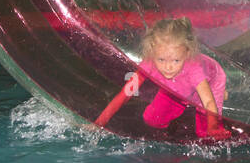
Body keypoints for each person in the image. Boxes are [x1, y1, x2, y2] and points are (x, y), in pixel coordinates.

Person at [94, 17, 229, 138]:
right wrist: (99, 123)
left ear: (187, 53)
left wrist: (212, 128)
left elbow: (208, 103)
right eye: (161, 60)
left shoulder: (194, 69)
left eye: (176, 61)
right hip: (178, 86)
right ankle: (190, 99)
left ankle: (219, 94)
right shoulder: (148, 65)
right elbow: (125, 94)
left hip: (210, 81)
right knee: (152, 119)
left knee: (204, 134)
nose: (168, 67)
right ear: (152, 53)